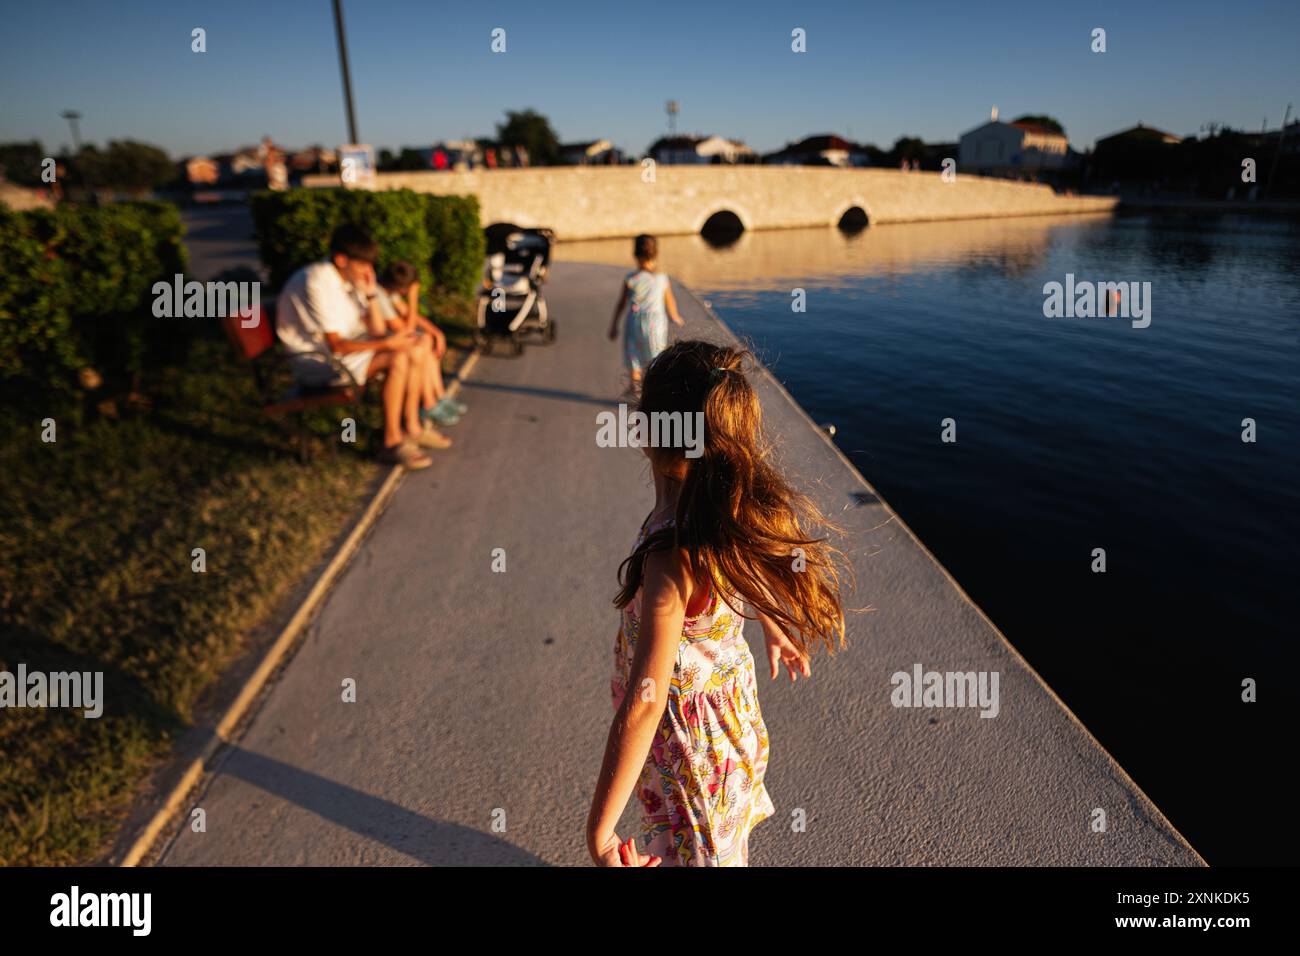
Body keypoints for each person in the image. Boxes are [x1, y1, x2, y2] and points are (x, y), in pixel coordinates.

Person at [586, 341, 849, 867]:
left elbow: (645, 700)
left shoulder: (669, 555)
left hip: (696, 757)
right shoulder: (715, 513)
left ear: (645, 433)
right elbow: (745, 570)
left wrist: (600, 830)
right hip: (725, 735)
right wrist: (774, 626)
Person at [275, 224, 448, 469]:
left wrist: (370, 295)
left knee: (416, 345)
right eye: (363, 264)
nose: (369, 270)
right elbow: (336, 345)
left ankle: (412, 427)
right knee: (399, 356)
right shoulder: (318, 281)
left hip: (344, 355)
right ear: (341, 259)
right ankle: (391, 442)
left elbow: (376, 331)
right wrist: (387, 343)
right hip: (318, 363)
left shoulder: (347, 279)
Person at [378, 260, 466, 428]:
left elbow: (409, 316)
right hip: (384, 345)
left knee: (426, 339)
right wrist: (413, 298)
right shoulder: (380, 295)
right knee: (421, 344)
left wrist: (436, 332)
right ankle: (429, 403)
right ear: (403, 288)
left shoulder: (389, 292)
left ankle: (438, 398)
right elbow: (407, 329)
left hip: (392, 341)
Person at [607, 234, 685, 392]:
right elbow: (669, 301)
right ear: (656, 254)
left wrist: (614, 325)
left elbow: (621, 304)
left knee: (634, 355)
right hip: (655, 324)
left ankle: (635, 388)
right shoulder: (661, 279)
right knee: (656, 355)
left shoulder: (631, 278)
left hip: (634, 322)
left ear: (635, 255)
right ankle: (654, 389)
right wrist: (675, 316)